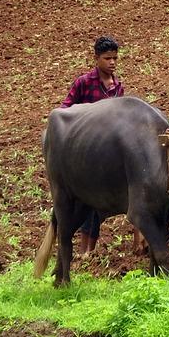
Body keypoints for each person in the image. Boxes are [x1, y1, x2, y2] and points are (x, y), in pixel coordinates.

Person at [59, 35, 123, 254]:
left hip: (107, 151)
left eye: (115, 58)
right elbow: (65, 111)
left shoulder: (118, 87)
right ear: (96, 59)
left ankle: (88, 250)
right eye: (107, 58)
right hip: (86, 148)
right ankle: (85, 249)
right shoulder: (84, 83)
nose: (112, 63)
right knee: (88, 201)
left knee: (97, 203)